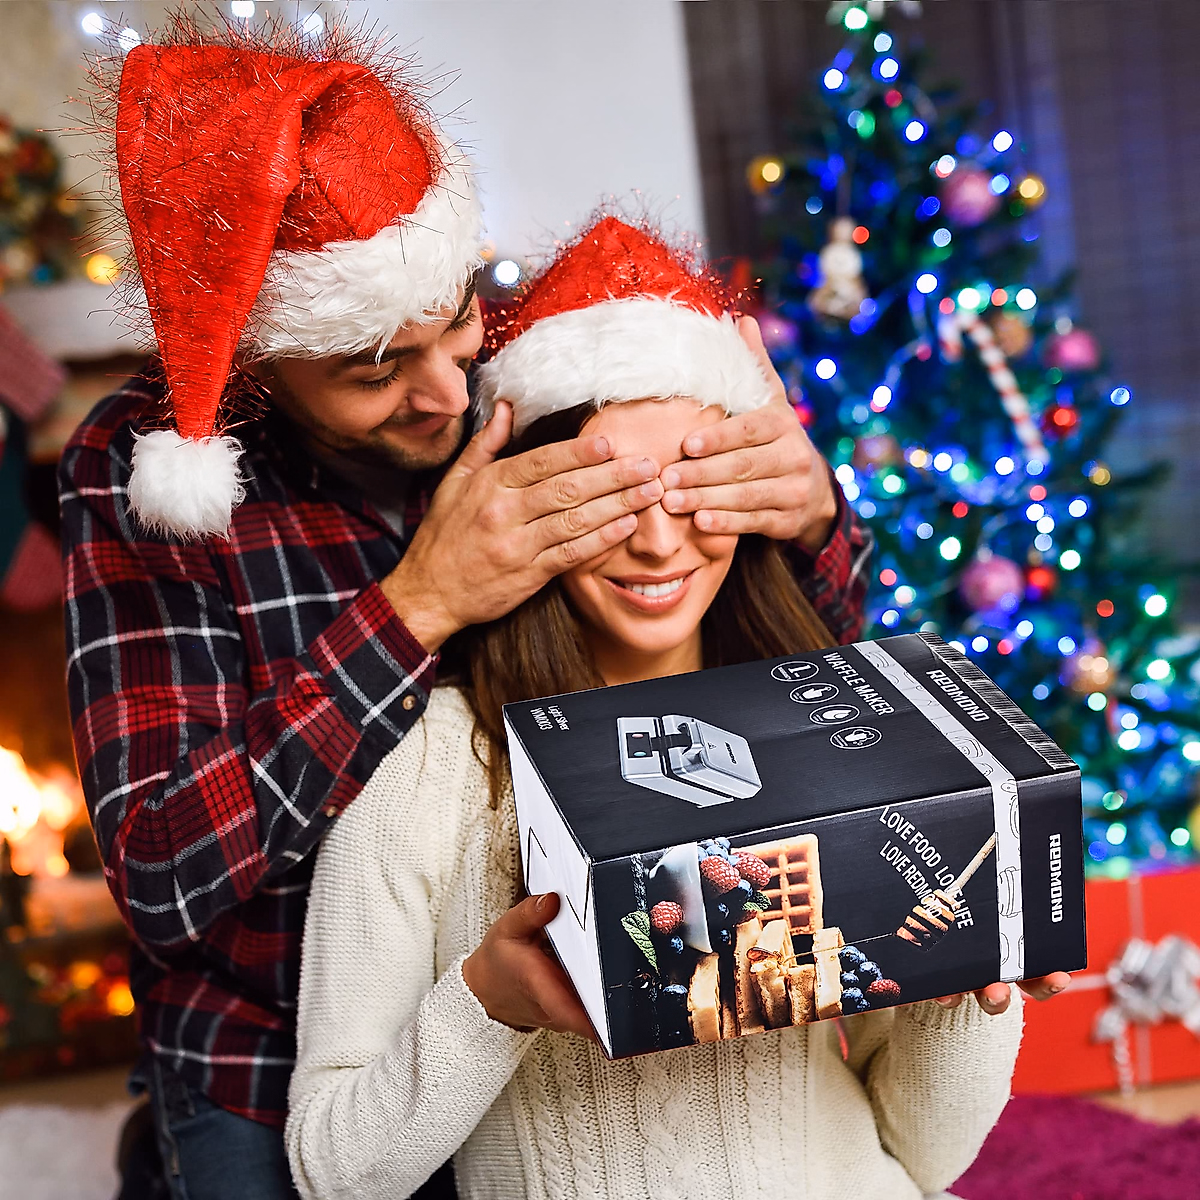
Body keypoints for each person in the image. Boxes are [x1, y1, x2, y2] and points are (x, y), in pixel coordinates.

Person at [59, 21, 870, 1200]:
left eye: (455, 319)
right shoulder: (137, 473)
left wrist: (807, 520)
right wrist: (418, 606)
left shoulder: (512, 373)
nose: (449, 388)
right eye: (377, 368)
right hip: (266, 1055)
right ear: (251, 359)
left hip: (519, 1006)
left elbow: (783, 662)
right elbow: (161, 874)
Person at [287, 215, 1068, 1200]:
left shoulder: (835, 727)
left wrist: (967, 997)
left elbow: (925, 1156)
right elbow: (332, 1171)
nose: (660, 543)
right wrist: (490, 1003)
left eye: (693, 486)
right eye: (611, 495)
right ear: (529, 498)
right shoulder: (437, 769)